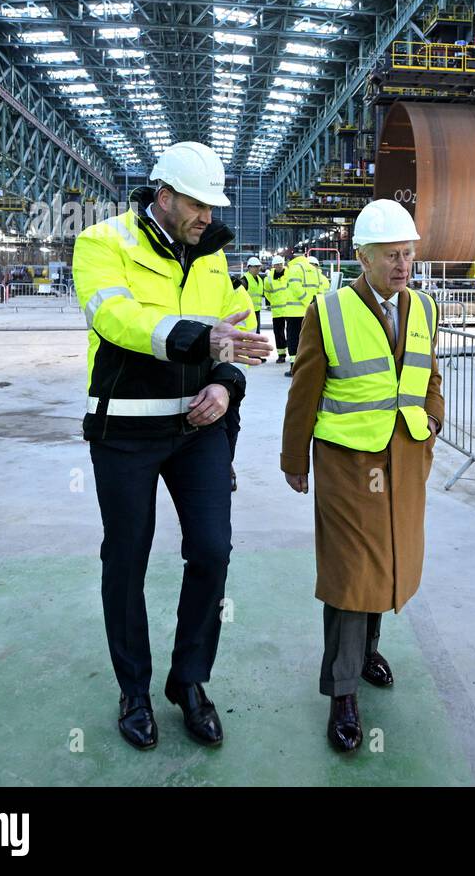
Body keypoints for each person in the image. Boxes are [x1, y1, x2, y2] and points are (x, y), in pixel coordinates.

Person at [72, 141, 272, 751]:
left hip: (197, 431)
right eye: (196, 204)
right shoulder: (103, 243)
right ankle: (134, 690)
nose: (207, 216)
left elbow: (241, 329)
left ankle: (189, 682)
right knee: (127, 558)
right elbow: (118, 320)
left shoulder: (214, 257)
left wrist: (227, 382)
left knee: (212, 551)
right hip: (125, 431)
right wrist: (200, 340)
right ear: (164, 196)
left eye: (213, 206)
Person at [280, 199, 443, 753]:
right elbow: (304, 390)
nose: (403, 266)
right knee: (351, 576)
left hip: (405, 457)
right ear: (363, 258)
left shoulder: (423, 306)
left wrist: (434, 419)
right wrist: (293, 459)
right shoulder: (326, 312)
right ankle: (342, 692)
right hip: (349, 464)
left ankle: (370, 650)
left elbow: (429, 376)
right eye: (392, 256)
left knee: (390, 559)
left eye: (408, 254)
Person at [266, 253, 308, 377]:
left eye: (280, 264)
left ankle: (292, 357)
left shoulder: (290, 273)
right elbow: (267, 292)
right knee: (278, 333)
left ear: (283, 264)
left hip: (289, 309)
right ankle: (281, 355)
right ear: (273, 265)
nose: (278, 266)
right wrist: (274, 301)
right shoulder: (269, 277)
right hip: (277, 310)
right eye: (276, 264)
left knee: (291, 335)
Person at [238, 256, 267, 336]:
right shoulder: (244, 280)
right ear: (249, 267)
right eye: (255, 267)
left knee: (257, 333)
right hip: (246, 312)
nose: (258, 268)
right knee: (248, 333)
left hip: (257, 311)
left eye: (259, 266)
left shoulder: (260, 280)